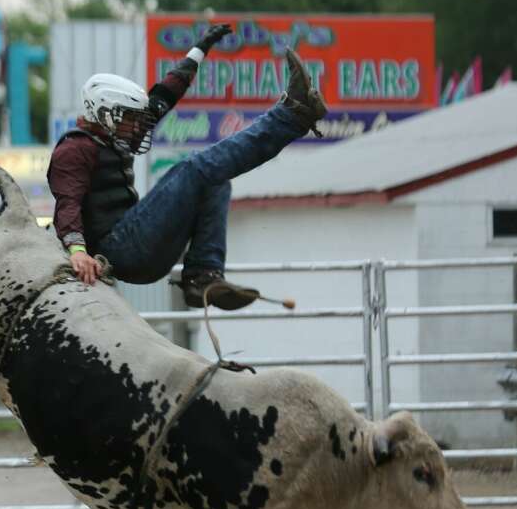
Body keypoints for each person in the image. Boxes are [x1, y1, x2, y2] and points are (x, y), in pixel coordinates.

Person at [47, 24, 328, 310]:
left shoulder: (116, 133)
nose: (138, 125)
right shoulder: (74, 149)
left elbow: (165, 96)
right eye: (131, 118)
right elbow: (67, 204)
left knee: (215, 177)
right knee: (195, 168)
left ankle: (202, 276)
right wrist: (78, 251)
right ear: (105, 113)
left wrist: (199, 50)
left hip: (140, 249)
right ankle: (290, 115)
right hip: (119, 250)